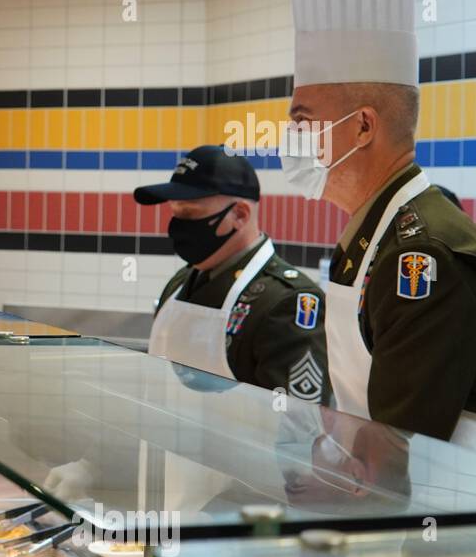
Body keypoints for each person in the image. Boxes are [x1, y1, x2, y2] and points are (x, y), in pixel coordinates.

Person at [284, 0, 476, 445]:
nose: (291, 138)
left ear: (363, 127)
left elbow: (397, 450)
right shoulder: (374, 234)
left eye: (302, 120)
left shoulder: (423, 253)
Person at [134, 145, 330, 404]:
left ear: (239, 214)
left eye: (190, 214)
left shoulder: (286, 302)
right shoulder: (180, 284)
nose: (178, 227)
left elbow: (299, 427)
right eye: (176, 214)